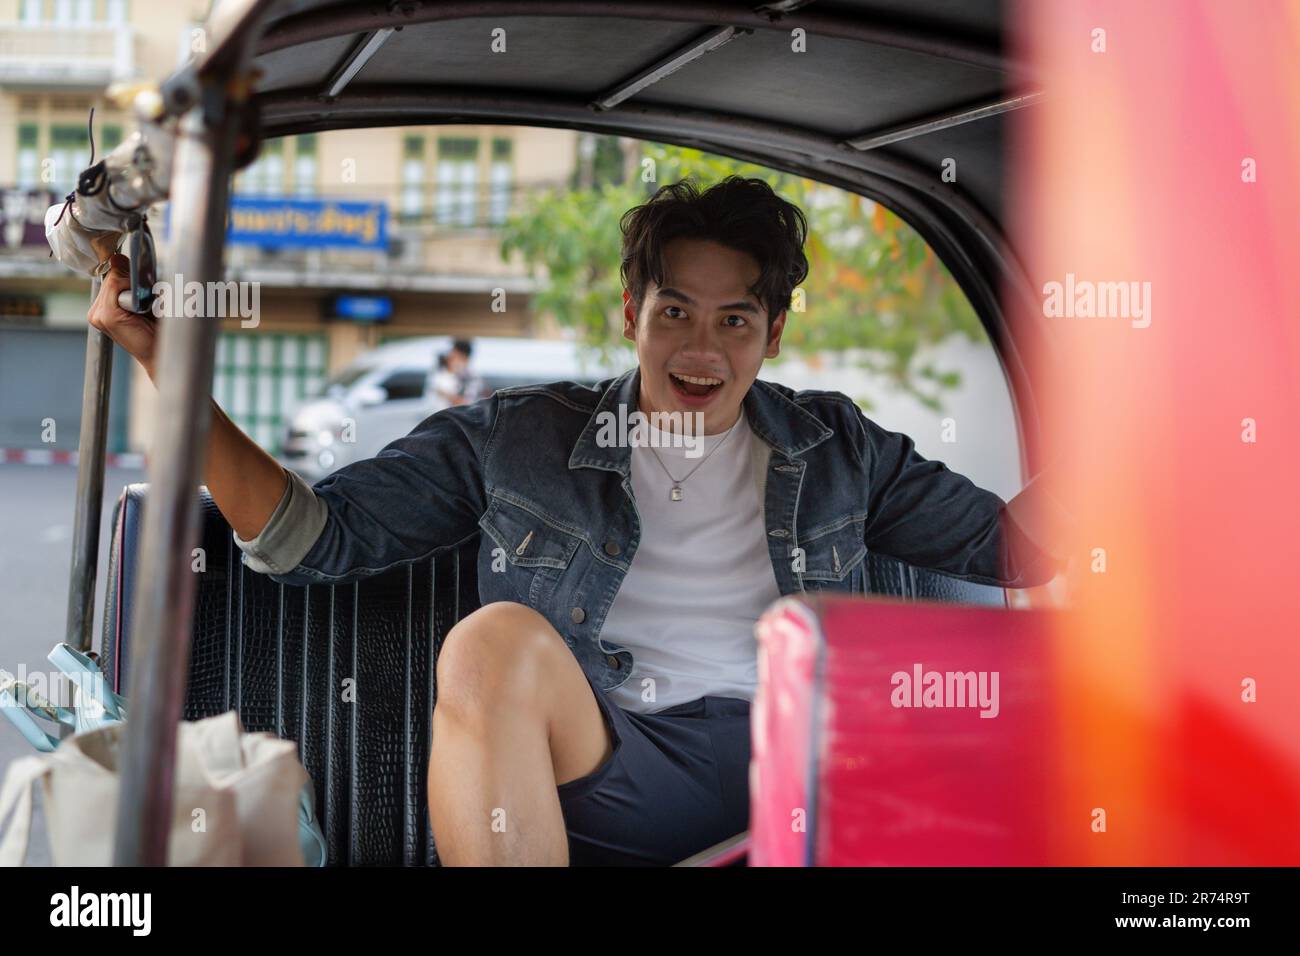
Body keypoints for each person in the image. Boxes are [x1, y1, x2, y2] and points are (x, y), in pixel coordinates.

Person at [87, 176, 1071, 867]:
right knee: (490, 644)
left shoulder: (842, 446)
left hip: (813, 770)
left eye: (735, 319)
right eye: (674, 311)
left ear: (773, 333)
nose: (701, 346)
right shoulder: (519, 437)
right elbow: (311, 540)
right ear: (629, 310)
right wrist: (160, 356)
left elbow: (1022, 551)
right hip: (618, 769)